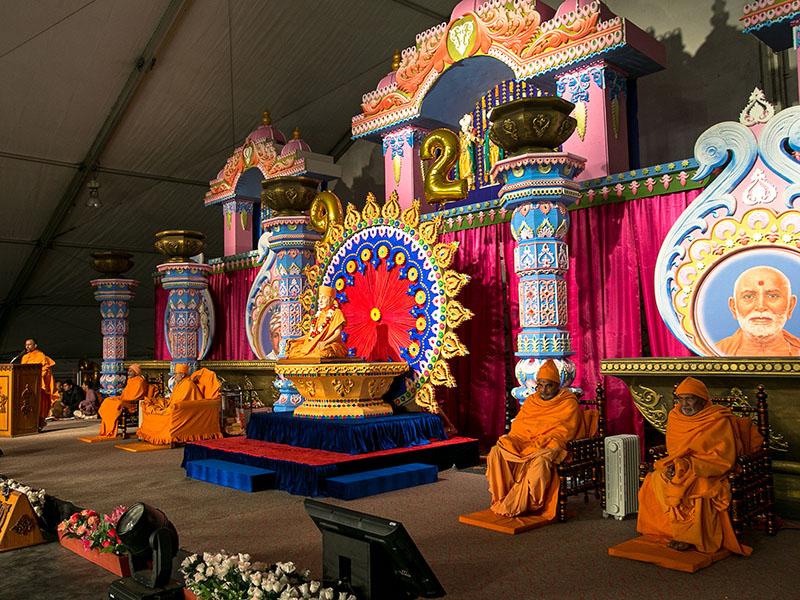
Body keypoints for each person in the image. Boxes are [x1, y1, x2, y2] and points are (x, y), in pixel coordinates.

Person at [637, 376, 750, 555]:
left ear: (702, 400)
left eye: (689, 398)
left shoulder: (717, 419)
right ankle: (670, 530)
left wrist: (690, 465)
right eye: (680, 399)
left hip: (709, 468)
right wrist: (676, 464)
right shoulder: (675, 417)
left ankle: (689, 537)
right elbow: (675, 451)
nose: (684, 404)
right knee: (657, 477)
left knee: (697, 485)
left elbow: (722, 457)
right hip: (681, 464)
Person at [485, 360, 584, 518]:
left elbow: (564, 432)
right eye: (540, 385)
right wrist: (517, 440)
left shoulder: (568, 402)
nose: (544, 390)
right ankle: (504, 495)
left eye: (548, 385)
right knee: (497, 452)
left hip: (548, 446)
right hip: (525, 442)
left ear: (557, 385)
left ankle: (530, 503)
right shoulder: (532, 401)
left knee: (540, 462)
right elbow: (519, 427)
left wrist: (541, 443)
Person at [715, 265, 800, 356]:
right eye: (748, 297)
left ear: (790, 306)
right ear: (734, 307)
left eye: (773, 296)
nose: (761, 306)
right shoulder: (715, 352)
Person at [285, 286, 347, 359]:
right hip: (314, 344)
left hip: (329, 344)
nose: (320, 301)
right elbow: (311, 335)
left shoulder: (337, 313)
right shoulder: (319, 315)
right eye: (319, 298)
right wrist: (296, 339)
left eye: (323, 298)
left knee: (323, 353)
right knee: (293, 349)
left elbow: (337, 334)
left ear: (331, 299)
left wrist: (325, 342)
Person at [97, 364, 148, 437]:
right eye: (128, 371)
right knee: (107, 400)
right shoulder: (130, 380)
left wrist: (124, 399)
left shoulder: (140, 381)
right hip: (124, 400)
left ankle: (110, 427)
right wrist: (121, 398)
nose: (128, 373)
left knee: (116, 403)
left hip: (132, 403)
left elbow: (136, 395)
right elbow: (125, 394)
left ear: (136, 372)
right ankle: (107, 426)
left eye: (131, 371)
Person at [20, 338, 57, 429]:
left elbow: (45, 370)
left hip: (38, 384)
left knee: (39, 404)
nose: (27, 346)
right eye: (26, 345)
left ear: (35, 345)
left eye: (29, 344)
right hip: (26, 384)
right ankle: (28, 423)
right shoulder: (24, 357)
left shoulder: (41, 356)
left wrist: (35, 377)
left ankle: (39, 423)